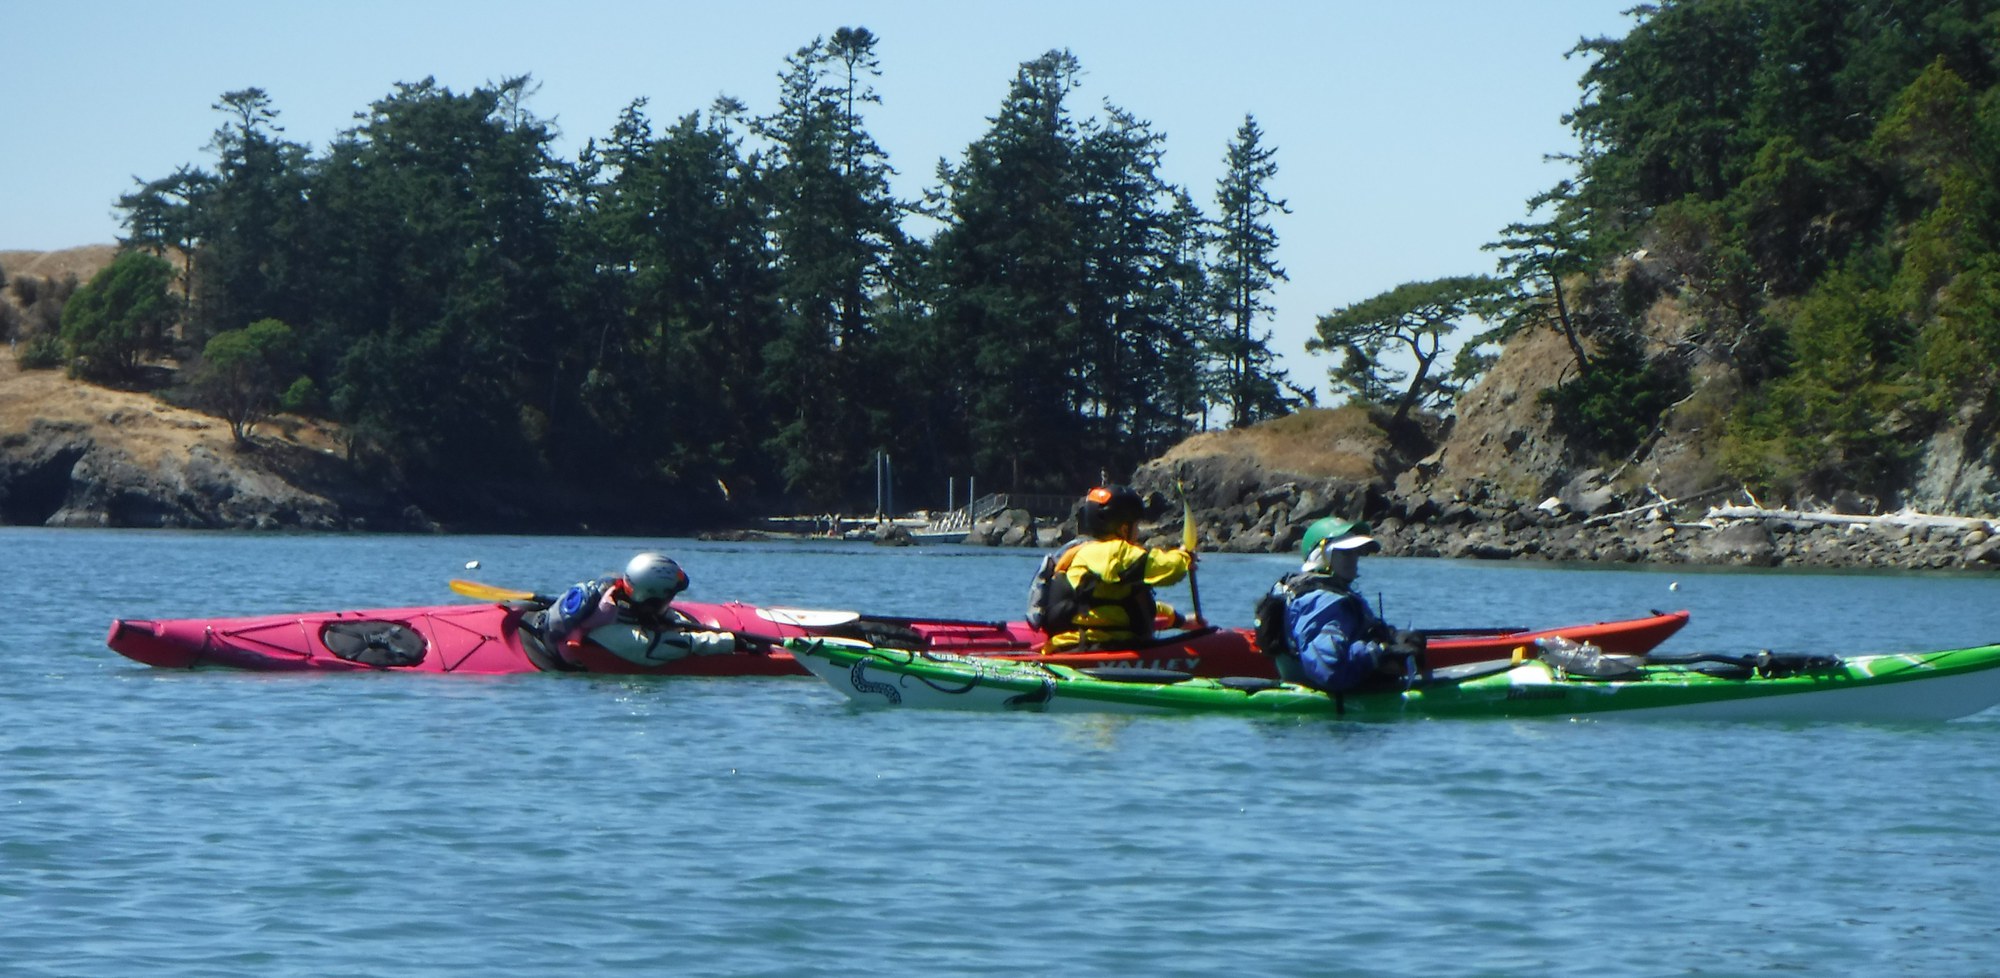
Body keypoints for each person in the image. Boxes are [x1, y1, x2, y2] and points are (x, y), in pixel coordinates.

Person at [1255, 517, 1424, 694]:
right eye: (1345, 553)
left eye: (1356, 552)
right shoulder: (1322, 603)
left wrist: (1393, 637)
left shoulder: (1324, 594)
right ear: (1321, 556)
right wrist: (1380, 652)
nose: (1354, 559)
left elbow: (1356, 632)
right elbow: (1330, 671)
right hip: (1325, 695)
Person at [1031, 484, 1203, 651]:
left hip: (1084, 645)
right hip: (1091, 648)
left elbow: (1124, 602)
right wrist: (1185, 557)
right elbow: (1167, 568)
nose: (1138, 532)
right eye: (1136, 525)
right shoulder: (1114, 552)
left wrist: (1181, 621)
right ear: (1123, 528)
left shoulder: (1086, 553)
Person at [538, 552, 745, 667]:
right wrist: (731, 642)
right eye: (669, 596)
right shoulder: (620, 635)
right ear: (653, 598)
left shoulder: (609, 593)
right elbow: (665, 646)